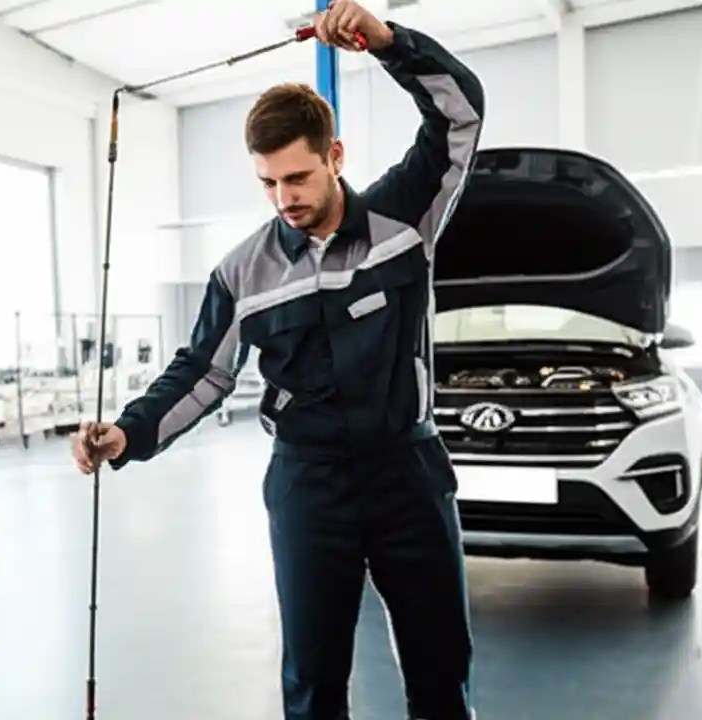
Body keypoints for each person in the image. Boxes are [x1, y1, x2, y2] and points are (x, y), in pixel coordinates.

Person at [73, 2, 484, 718]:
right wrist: (128, 434)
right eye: (267, 182)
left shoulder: (406, 219)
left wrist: (388, 43)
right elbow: (202, 371)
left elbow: (459, 117)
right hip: (309, 486)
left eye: (296, 177)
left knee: (440, 670)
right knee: (314, 679)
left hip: (407, 475)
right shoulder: (245, 273)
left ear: (335, 157)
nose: (283, 198)